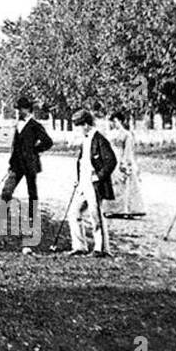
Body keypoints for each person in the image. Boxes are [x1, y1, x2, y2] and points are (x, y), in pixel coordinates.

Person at [66, 109, 117, 255]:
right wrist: (78, 179)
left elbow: (111, 161)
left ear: (86, 125)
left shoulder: (100, 139)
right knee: (74, 213)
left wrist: (98, 177)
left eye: (78, 126)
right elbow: (82, 162)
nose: (77, 129)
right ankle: (79, 246)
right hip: (83, 183)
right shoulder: (86, 139)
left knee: (96, 216)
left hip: (94, 184)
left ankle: (101, 248)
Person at [0, 97, 53, 216]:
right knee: (7, 188)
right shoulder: (18, 124)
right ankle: (3, 212)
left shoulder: (35, 125)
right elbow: (15, 145)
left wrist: (34, 150)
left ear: (27, 110)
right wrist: (11, 162)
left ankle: (32, 214)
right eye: (17, 110)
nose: (18, 112)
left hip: (30, 163)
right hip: (17, 163)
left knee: (32, 191)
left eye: (20, 109)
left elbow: (48, 142)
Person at [107, 113, 146, 217]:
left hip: (122, 157)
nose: (113, 124)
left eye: (115, 121)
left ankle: (126, 210)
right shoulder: (110, 134)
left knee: (125, 184)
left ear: (121, 121)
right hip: (112, 159)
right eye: (112, 122)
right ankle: (114, 210)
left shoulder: (127, 134)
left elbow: (128, 150)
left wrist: (125, 162)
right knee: (114, 184)